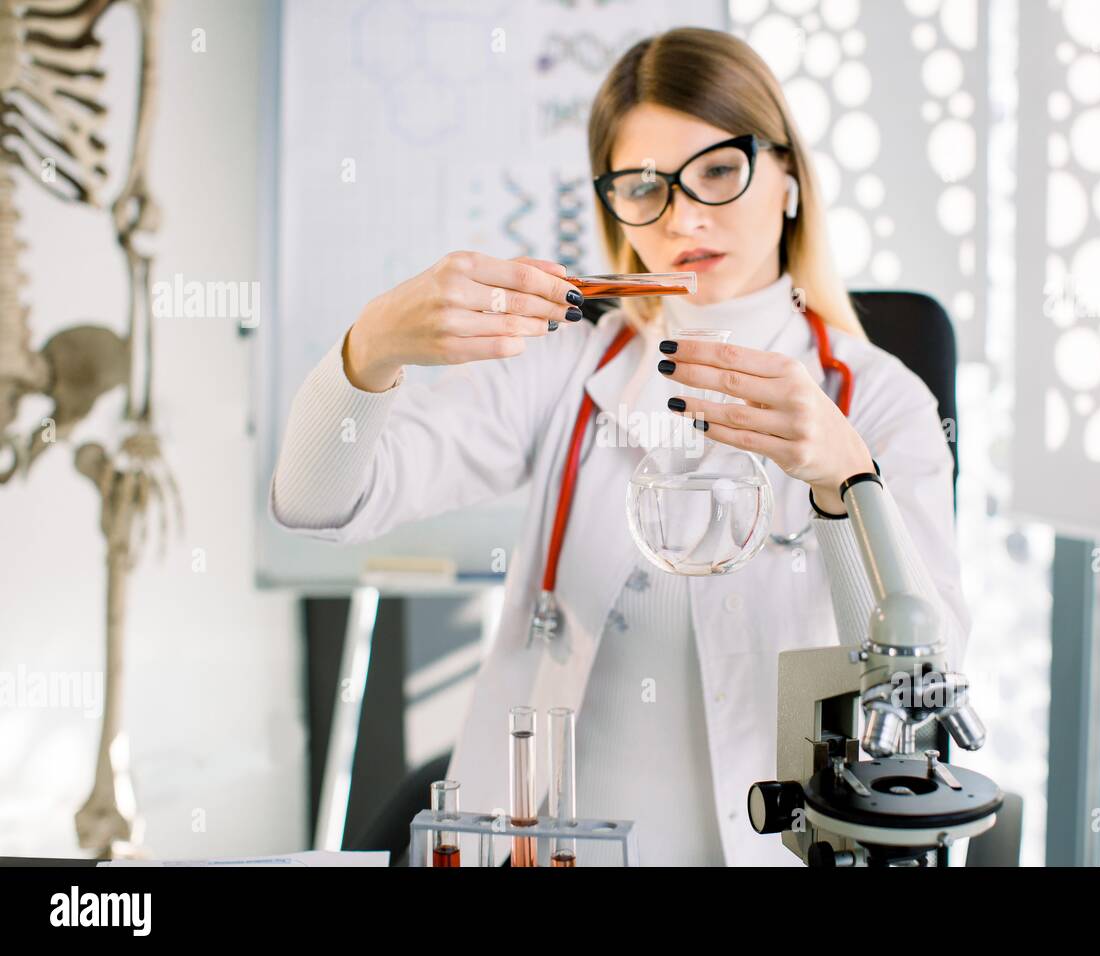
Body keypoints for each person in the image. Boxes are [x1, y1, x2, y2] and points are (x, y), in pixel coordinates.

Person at [270, 26, 969, 866]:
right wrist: (372, 346)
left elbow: (924, 693)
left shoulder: (882, 403)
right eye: (644, 187)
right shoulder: (566, 367)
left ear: (788, 179)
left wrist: (839, 482)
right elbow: (316, 501)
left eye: (717, 170)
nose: (683, 215)